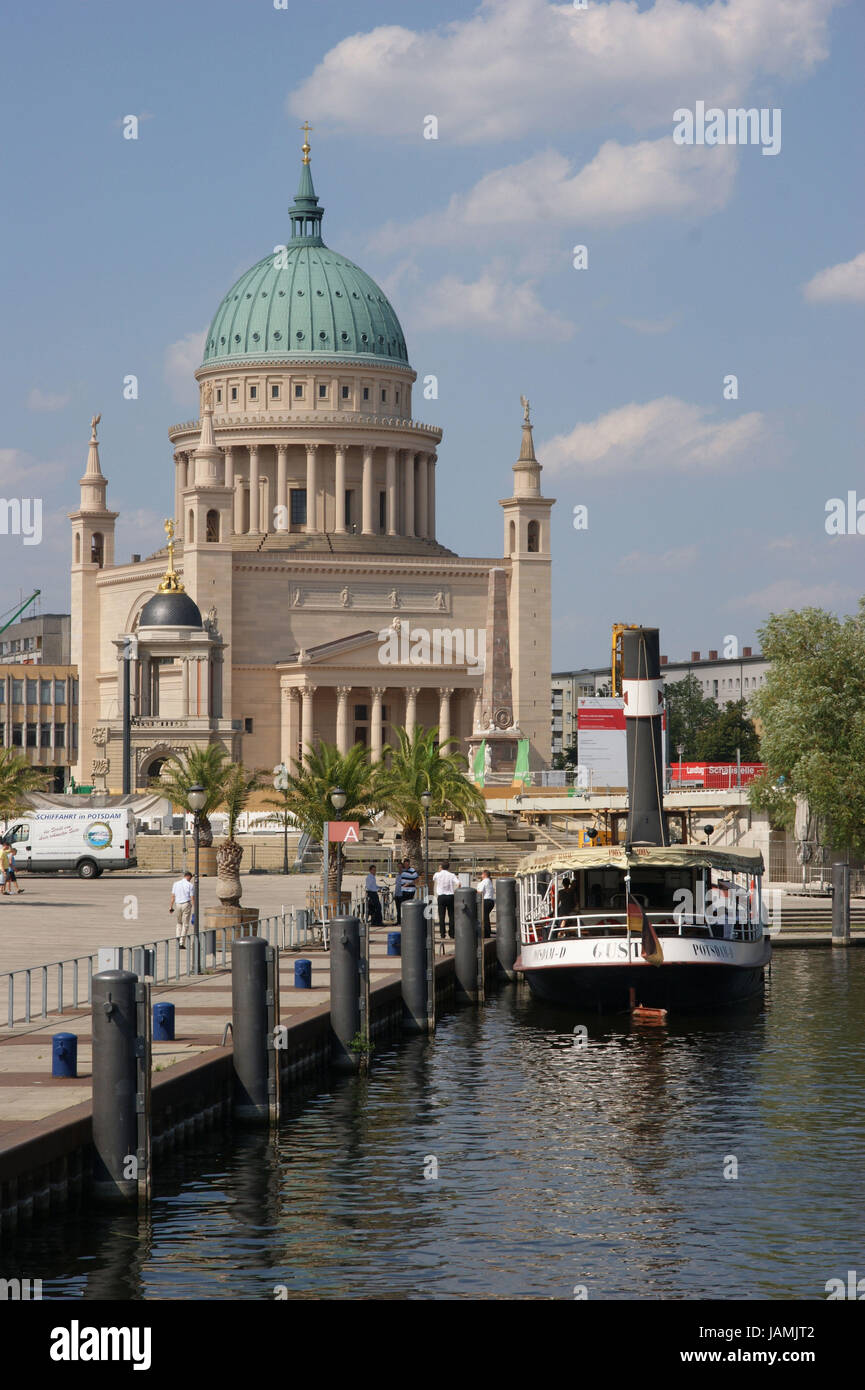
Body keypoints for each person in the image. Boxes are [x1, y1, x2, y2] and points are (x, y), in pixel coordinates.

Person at [432, 861, 460, 939]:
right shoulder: (452, 875)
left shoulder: (437, 874)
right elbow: (459, 883)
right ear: (448, 867)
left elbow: (434, 879)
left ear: (441, 867)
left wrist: (439, 870)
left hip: (441, 896)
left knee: (441, 916)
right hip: (450, 896)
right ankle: (452, 933)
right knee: (451, 916)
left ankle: (442, 934)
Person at [169, 870, 195, 947]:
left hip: (177, 904)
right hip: (186, 904)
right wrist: (194, 909)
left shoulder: (176, 884)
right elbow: (192, 897)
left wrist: (171, 906)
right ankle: (181, 942)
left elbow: (173, 896)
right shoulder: (190, 885)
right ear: (189, 877)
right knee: (185, 924)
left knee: (179, 923)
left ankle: (177, 940)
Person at [394, 859, 418, 924]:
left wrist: (409, 883)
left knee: (408, 906)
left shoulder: (412, 871)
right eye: (405, 864)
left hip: (410, 891)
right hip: (403, 892)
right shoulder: (402, 872)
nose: (406, 865)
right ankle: (401, 921)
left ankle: (408, 921)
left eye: (407, 864)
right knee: (402, 907)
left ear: (409, 864)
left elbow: (417, 880)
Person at [476, 868, 495, 937]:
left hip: (485, 900)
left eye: (482, 874)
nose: (481, 875)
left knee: (484, 917)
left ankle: (486, 933)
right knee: (486, 917)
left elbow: (480, 892)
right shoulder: (490, 881)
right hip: (491, 901)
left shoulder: (484, 881)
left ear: (484, 874)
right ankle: (487, 931)